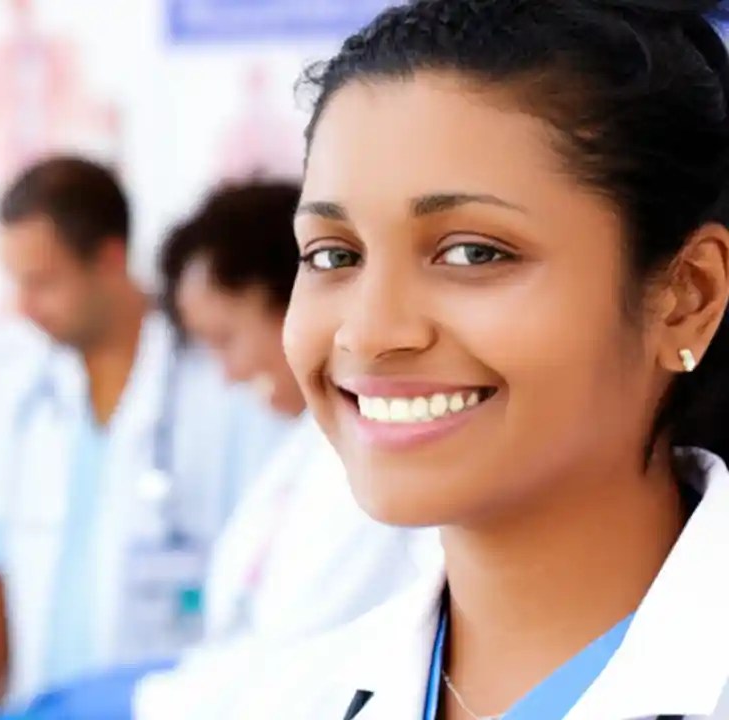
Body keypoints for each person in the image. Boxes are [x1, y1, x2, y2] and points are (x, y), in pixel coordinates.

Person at [140, 0, 729, 717]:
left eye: (473, 252)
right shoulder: (294, 698)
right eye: (334, 254)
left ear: (686, 297)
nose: (371, 331)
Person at [2, 183, 438, 719]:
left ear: (293, 305)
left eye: (226, 338)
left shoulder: (370, 464)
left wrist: (142, 701)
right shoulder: (305, 450)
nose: (227, 374)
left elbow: (294, 660)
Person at [0, 157, 289, 714]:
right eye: (17, 282)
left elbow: (260, 586)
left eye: (44, 282)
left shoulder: (225, 387)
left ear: (108, 259)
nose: (25, 306)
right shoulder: (20, 396)